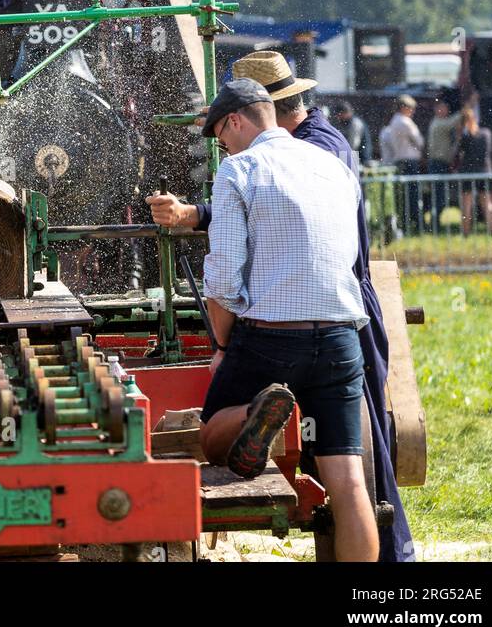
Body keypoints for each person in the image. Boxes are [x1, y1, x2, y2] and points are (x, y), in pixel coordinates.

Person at [150, 51, 414, 563]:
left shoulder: (238, 169)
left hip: (272, 339)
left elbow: (223, 279)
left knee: (209, 433)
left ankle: (258, 413)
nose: (221, 145)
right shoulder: (331, 162)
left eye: (220, 135)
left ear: (234, 121)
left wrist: (223, 347)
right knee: (351, 487)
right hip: (341, 334)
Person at [380, 95, 425, 235]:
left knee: (404, 197)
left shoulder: (393, 121)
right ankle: (417, 226)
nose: (413, 111)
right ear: (404, 107)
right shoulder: (406, 122)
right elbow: (420, 141)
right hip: (410, 161)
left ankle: (406, 225)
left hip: (400, 160)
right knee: (413, 195)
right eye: (411, 108)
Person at [454, 106, 492, 237]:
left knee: (466, 205)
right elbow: (487, 153)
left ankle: (466, 233)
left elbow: (458, 154)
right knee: (487, 203)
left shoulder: (465, 137)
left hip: (468, 172)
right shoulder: (486, 133)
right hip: (484, 171)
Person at [426, 98, 462, 227]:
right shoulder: (439, 124)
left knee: (439, 195)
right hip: (438, 163)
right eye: (443, 108)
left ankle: (434, 223)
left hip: (439, 163)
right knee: (439, 196)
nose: (446, 110)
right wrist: (465, 110)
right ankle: (434, 224)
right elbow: (452, 123)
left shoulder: (437, 122)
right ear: (437, 109)